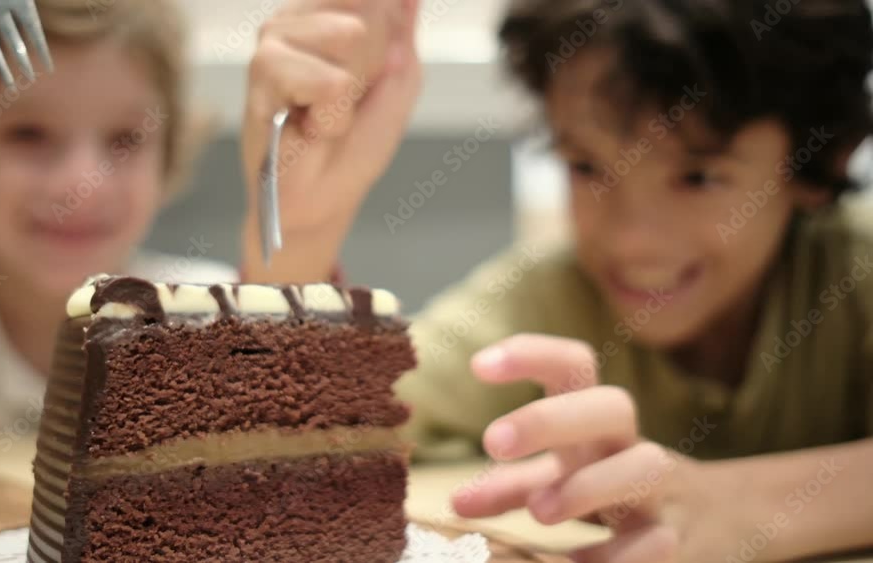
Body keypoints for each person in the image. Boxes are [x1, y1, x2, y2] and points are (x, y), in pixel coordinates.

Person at [241, 0, 873, 560]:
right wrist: (297, 236)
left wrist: (741, 508)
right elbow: (279, 446)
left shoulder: (856, 271)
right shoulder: (543, 299)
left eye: (699, 177)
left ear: (819, 162)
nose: (632, 240)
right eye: (586, 165)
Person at [0, 0, 234, 430]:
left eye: (125, 139)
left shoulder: (211, 314)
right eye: (29, 134)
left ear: (167, 160)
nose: (82, 185)